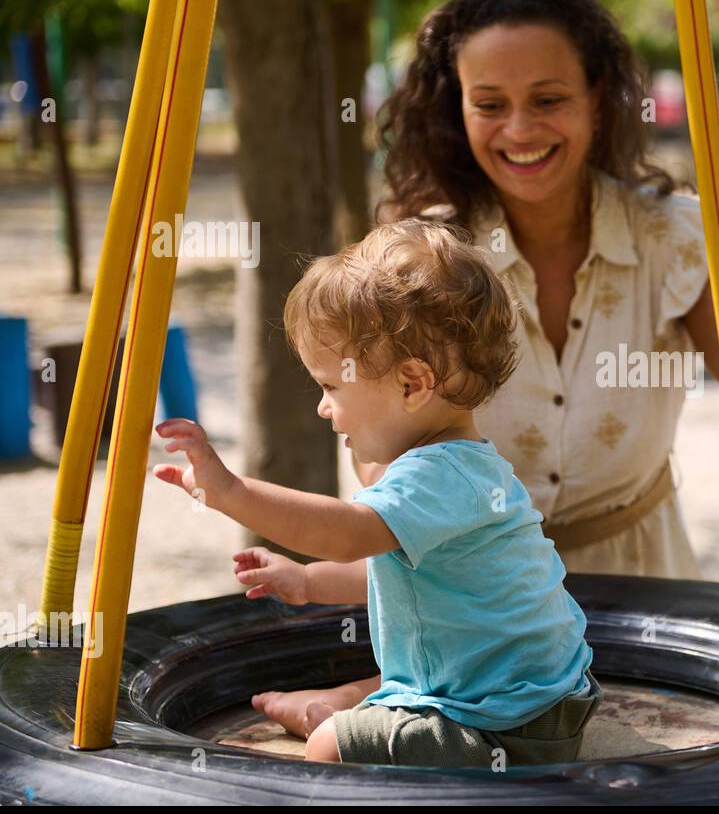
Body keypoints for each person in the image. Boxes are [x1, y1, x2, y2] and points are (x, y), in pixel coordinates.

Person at [252, 0, 719, 739]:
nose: (521, 129)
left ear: (599, 100)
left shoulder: (673, 237)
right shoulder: (426, 258)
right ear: (455, 109)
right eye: (490, 105)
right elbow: (381, 449)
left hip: (643, 586)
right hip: (470, 594)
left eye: (549, 99)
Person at [153, 220, 602, 767]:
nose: (323, 407)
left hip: (503, 727)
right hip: (528, 702)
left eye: (331, 386)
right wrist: (305, 580)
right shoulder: (465, 468)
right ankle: (343, 707)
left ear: (412, 384)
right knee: (374, 704)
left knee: (327, 749)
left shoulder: (438, 475)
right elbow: (400, 572)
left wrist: (229, 491)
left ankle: (334, 722)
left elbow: (345, 534)